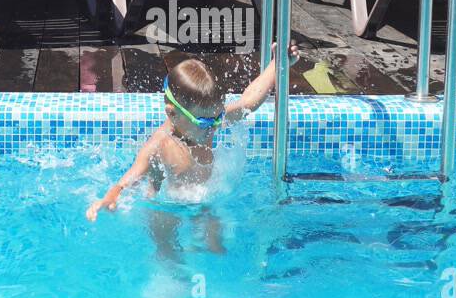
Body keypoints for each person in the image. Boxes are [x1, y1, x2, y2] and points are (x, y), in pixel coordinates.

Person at [86, 43, 299, 223]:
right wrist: (109, 198)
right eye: (205, 122)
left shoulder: (207, 122)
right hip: (165, 209)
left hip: (202, 201)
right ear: (173, 114)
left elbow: (248, 102)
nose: (214, 126)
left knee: (216, 246)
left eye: (217, 118)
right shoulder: (160, 144)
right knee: (168, 250)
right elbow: (126, 182)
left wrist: (277, 64)